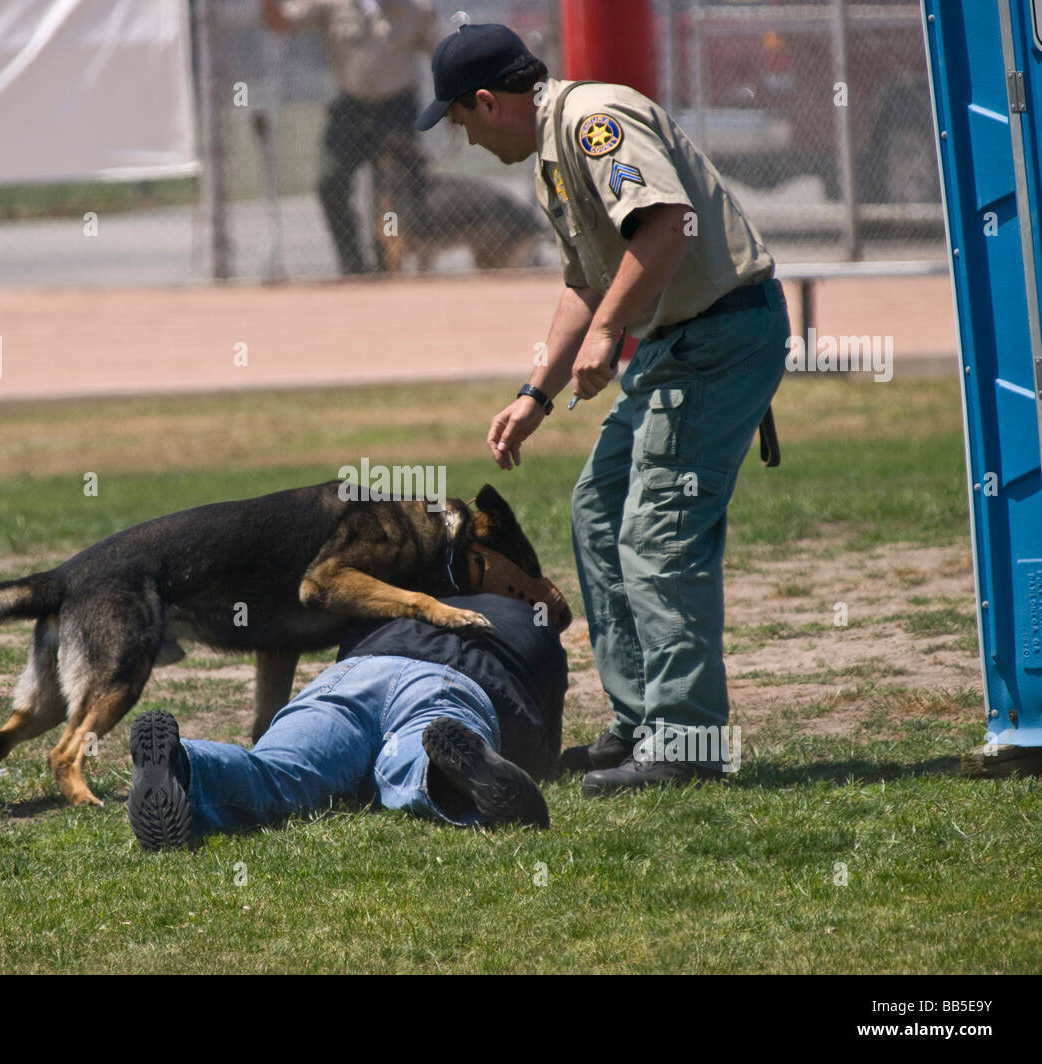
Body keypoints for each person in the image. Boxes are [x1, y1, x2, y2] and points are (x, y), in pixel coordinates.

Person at [414, 25, 790, 792]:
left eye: (459, 120)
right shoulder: (554, 157)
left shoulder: (596, 123)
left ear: (488, 102)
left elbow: (667, 226)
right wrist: (534, 395)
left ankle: (685, 741)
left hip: (718, 339)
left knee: (658, 529)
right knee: (598, 505)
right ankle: (640, 720)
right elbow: (586, 284)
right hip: (676, 346)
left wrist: (613, 332)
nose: (464, 140)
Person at [126, 593, 567, 849]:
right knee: (409, 757)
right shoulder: (535, 621)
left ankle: (185, 767)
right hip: (448, 683)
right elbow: (538, 740)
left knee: (279, 771)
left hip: (353, 675)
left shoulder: (401, 593)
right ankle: (445, 771)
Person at [262, 0, 436, 274]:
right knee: (329, 181)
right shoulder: (332, 4)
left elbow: (443, 53)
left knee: (393, 197)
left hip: (396, 111)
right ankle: (353, 266)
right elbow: (280, 23)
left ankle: (387, 265)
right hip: (351, 110)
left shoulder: (416, 8)